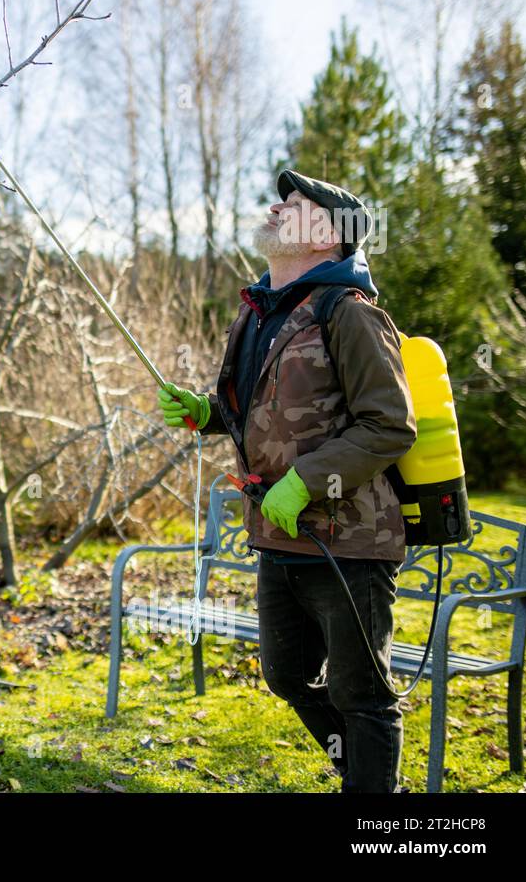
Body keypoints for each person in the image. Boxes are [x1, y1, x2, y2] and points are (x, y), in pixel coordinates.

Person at [158, 170, 417, 792]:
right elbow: (261, 407)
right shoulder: (258, 314)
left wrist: (304, 482)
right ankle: (362, 774)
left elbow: (389, 424)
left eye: (294, 205)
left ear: (329, 232)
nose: (275, 208)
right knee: (287, 675)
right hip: (277, 534)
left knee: (363, 694)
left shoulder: (350, 314)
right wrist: (208, 413)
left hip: (347, 538)